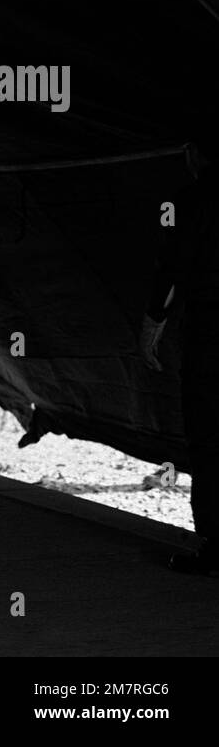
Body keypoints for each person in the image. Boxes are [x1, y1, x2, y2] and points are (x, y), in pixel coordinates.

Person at [140, 139, 219, 575]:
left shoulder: (190, 201)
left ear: (195, 155)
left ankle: (214, 542)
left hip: (211, 333)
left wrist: (153, 322)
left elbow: (172, 267)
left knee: (209, 440)